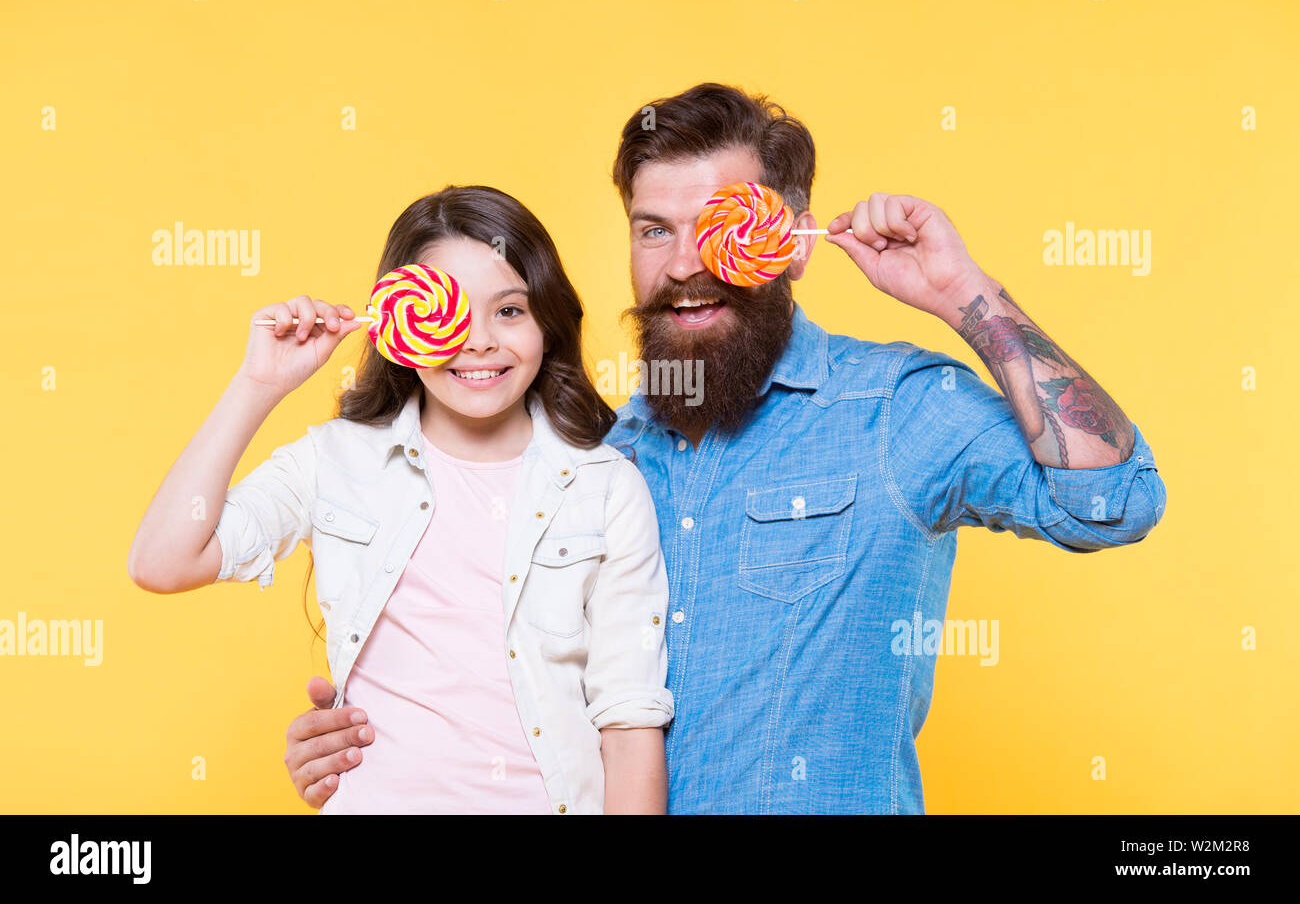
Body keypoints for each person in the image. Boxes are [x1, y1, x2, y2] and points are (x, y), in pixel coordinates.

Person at [283, 83, 1168, 814]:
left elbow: (1114, 500)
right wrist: (374, 742)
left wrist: (963, 294)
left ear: (789, 241)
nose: (683, 264)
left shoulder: (895, 409)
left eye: (722, 224)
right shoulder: (599, 460)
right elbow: (515, 687)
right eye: (653, 229)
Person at [128, 185, 673, 814]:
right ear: (402, 326)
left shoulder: (605, 487)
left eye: (510, 310)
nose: (479, 341)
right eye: (450, 313)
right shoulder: (337, 461)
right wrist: (258, 383)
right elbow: (160, 561)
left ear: (548, 323)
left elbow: (630, 721)